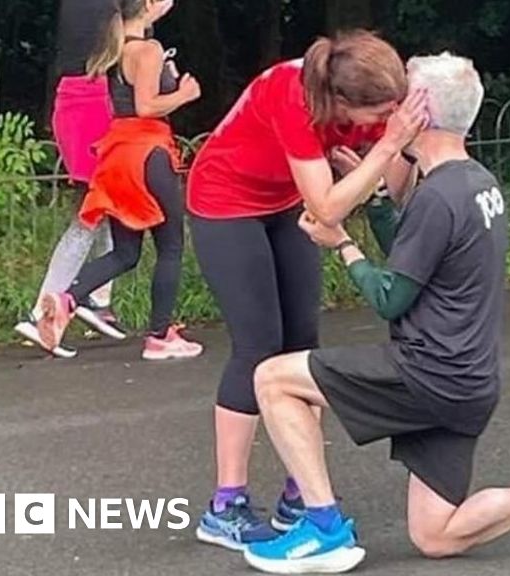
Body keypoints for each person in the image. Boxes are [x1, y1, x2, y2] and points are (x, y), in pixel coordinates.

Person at [245, 53, 510, 575]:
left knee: (272, 379)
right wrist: (379, 199)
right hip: (469, 381)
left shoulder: (438, 196)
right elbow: (416, 260)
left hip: (428, 373)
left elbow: (390, 298)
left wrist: (341, 245)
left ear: (419, 112)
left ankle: (324, 527)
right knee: (436, 535)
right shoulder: (477, 184)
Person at [186, 29, 427, 550]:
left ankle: (303, 489)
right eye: (378, 114)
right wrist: (384, 148)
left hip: (279, 200)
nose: (387, 121)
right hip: (224, 199)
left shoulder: (370, 99)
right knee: (257, 347)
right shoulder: (290, 93)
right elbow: (327, 209)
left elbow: (397, 182)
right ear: (341, 101)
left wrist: (388, 155)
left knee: (302, 343)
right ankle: (225, 504)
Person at [36, 0, 204, 361]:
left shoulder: (113, 48)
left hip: (119, 153)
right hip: (149, 150)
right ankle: (160, 335)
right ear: (146, 5)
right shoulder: (149, 48)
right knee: (171, 246)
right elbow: (146, 107)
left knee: (126, 252)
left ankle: (67, 299)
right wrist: (183, 94)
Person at [13, 0, 128, 357]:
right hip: (89, 102)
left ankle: (95, 298)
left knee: (104, 208)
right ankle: (42, 312)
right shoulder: (103, 9)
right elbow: (120, 41)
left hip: (81, 98)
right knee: (89, 215)